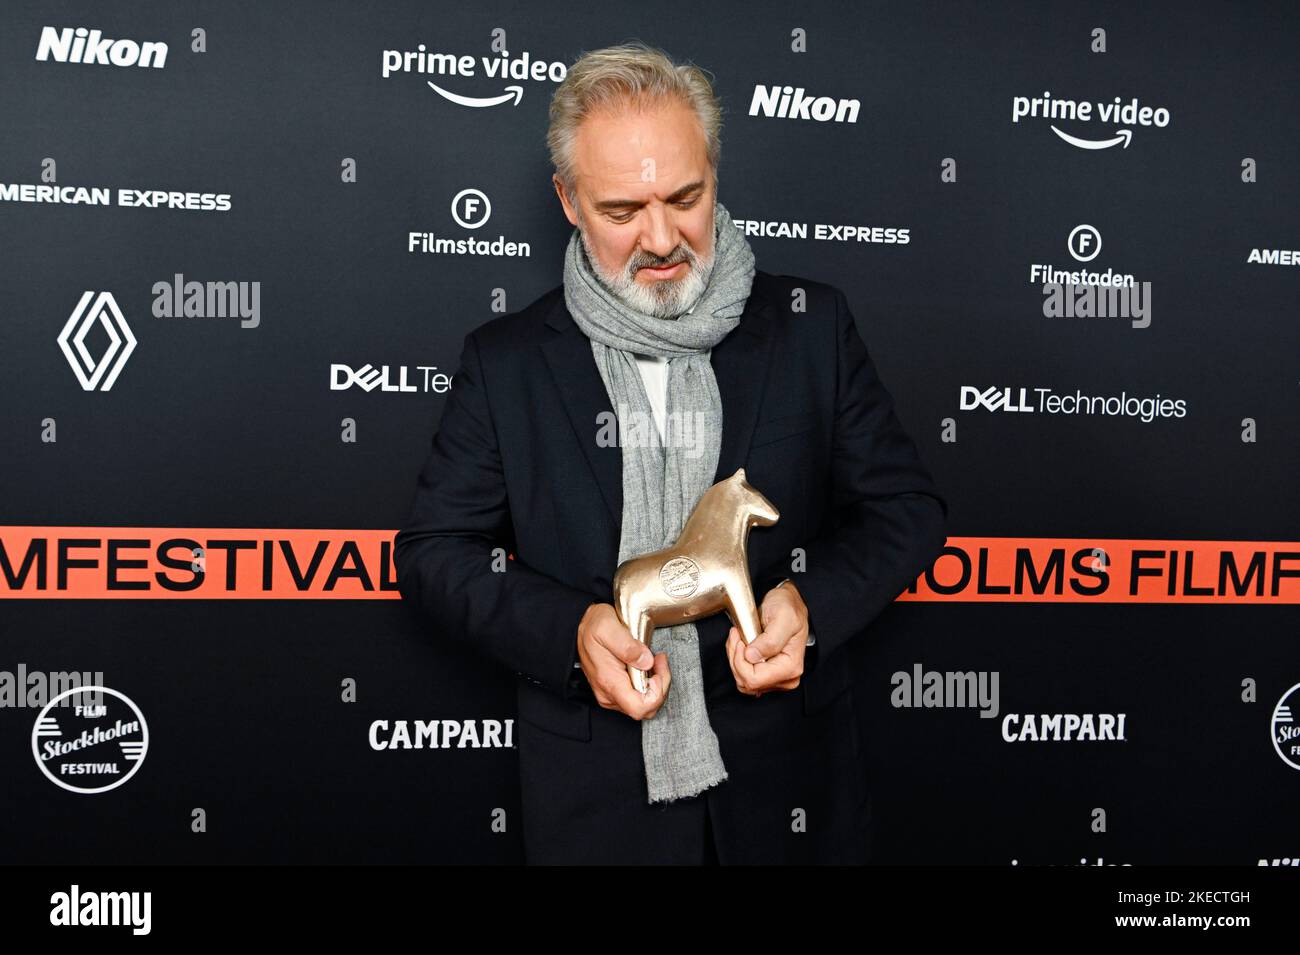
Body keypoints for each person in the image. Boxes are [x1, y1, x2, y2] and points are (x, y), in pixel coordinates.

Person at [394, 41, 948, 864]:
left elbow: (907, 511)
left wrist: (807, 607)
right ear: (569, 200)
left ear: (716, 175)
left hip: (793, 792)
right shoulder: (506, 361)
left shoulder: (811, 327)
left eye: (685, 197)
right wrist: (574, 632)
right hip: (599, 806)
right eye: (623, 210)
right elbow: (436, 552)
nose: (662, 238)